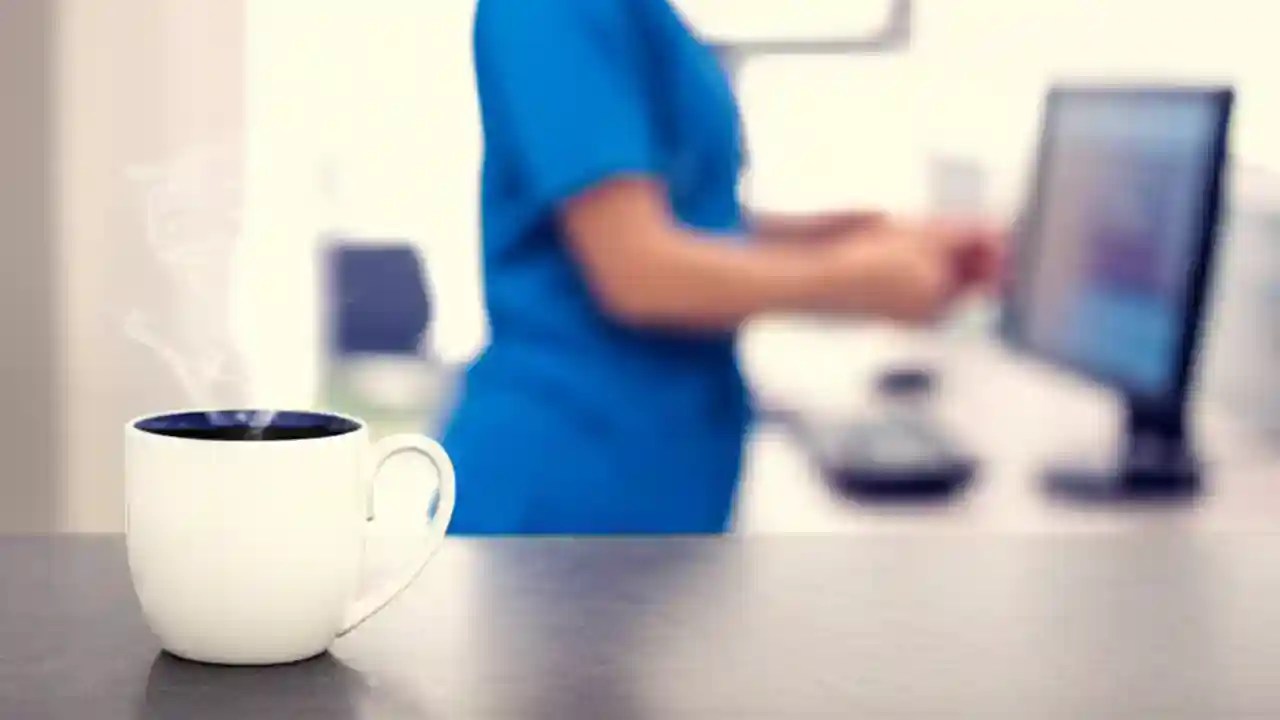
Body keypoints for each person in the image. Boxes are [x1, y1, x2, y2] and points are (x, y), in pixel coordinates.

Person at [442, 0, 1002, 535]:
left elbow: (691, 221)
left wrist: (862, 234)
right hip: (572, 468)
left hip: (653, 459)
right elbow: (638, 273)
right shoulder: (555, 7)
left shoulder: (639, 14)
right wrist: (854, 281)